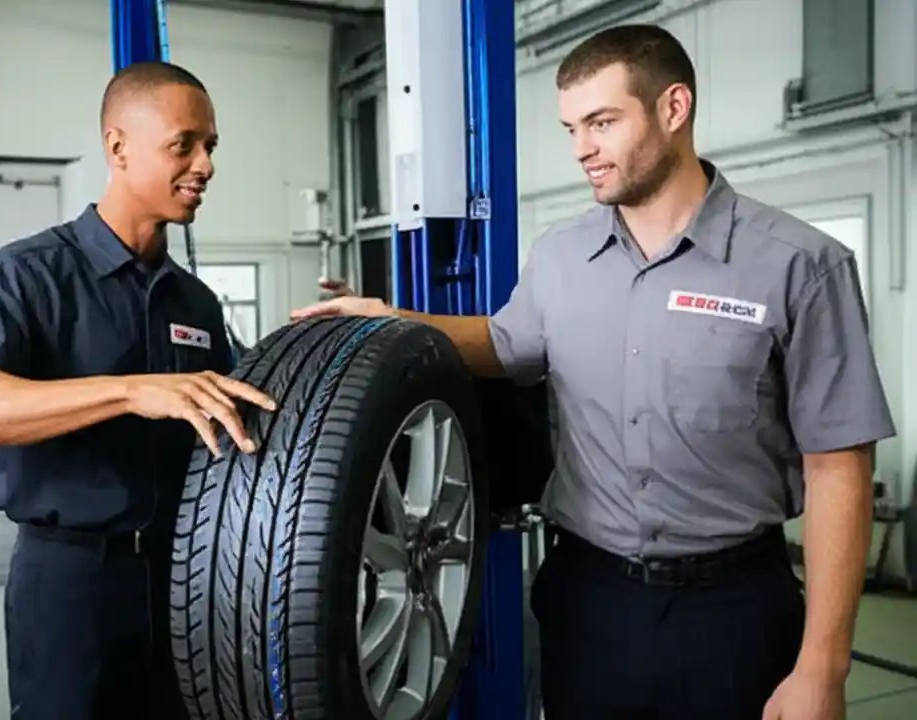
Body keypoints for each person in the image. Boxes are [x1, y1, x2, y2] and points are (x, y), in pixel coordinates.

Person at [293, 24, 893, 720]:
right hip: (589, 604)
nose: (582, 148)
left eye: (603, 122)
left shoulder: (801, 265)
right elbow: (504, 342)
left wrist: (823, 665)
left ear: (674, 109)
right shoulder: (560, 257)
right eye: (572, 126)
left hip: (732, 611)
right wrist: (391, 321)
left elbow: (838, 466)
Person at [0, 61, 277, 720]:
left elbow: (243, 419)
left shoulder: (193, 300)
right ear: (117, 147)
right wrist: (127, 392)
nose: (205, 165)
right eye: (183, 145)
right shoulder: (33, 275)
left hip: (185, 580)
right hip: (72, 583)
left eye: (211, 147)